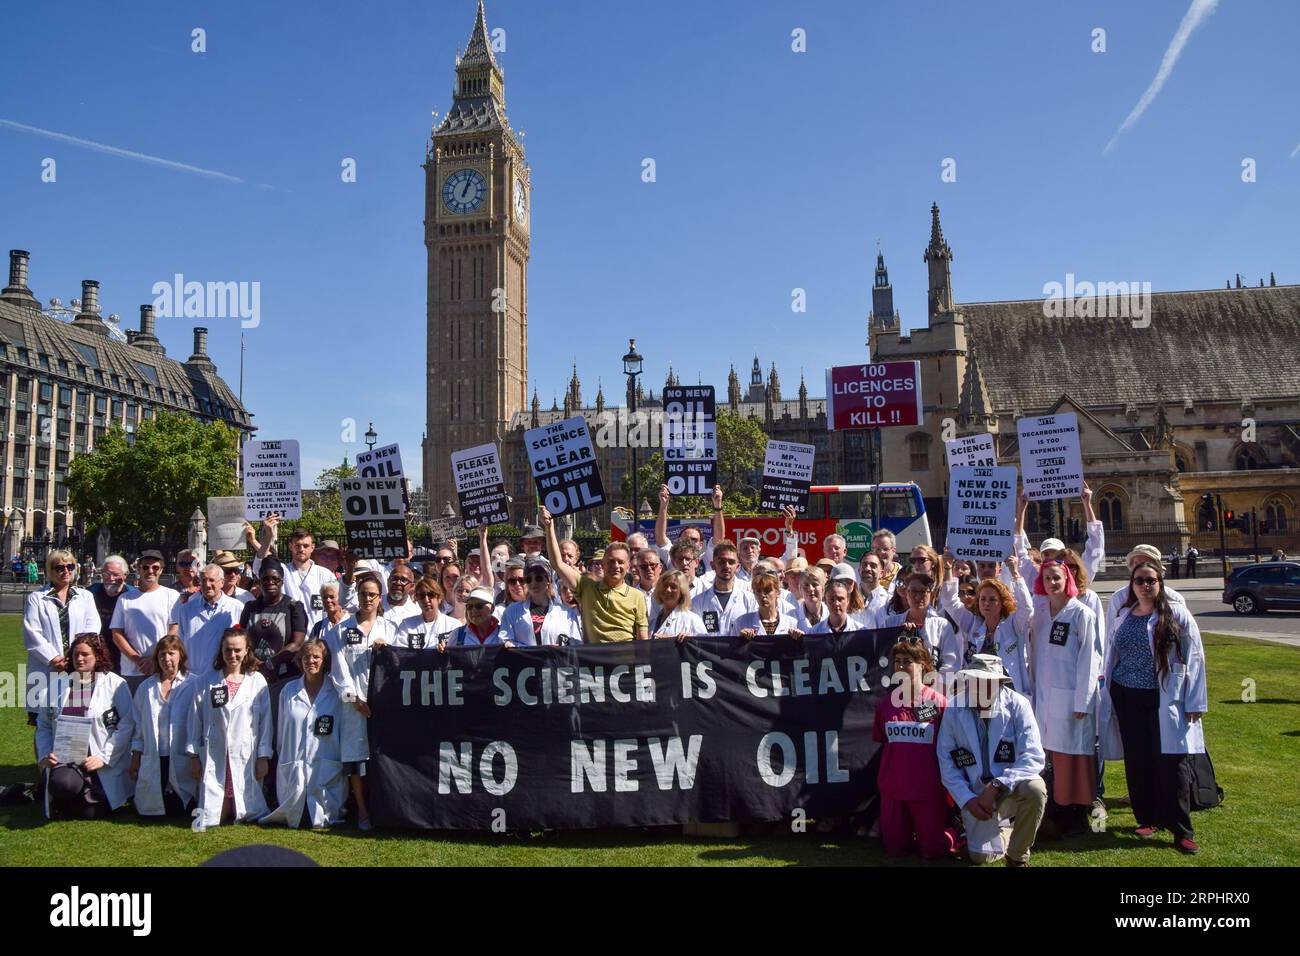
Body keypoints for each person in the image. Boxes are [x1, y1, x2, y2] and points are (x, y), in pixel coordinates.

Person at [1098, 562, 1207, 855]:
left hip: (1164, 698)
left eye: (1151, 580)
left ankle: (1181, 829)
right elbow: (1111, 653)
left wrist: (1195, 700)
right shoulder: (1123, 615)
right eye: (1139, 580)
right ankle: (1148, 818)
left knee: (1172, 763)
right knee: (1138, 759)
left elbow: (1195, 656)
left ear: (1160, 583)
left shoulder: (1175, 614)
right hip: (1126, 696)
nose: (1145, 585)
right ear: (1131, 585)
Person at [937, 654, 1048, 866]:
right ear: (968, 681)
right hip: (975, 794)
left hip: (1010, 788)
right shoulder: (954, 708)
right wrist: (967, 799)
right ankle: (1008, 830)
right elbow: (946, 762)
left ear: (999, 683)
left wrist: (996, 786)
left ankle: (1017, 857)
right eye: (976, 681)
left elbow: (1033, 757)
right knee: (981, 858)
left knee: (1035, 789)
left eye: (989, 683)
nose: (982, 688)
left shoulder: (1019, 705)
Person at [1029, 559, 1103, 836]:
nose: (1052, 583)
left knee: (1073, 759)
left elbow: (1090, 660)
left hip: (1072, 700)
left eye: (1057, 578)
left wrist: (1083, 700)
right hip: (1046, 698)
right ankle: (1055, 813)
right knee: (1051, 758)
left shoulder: (1081, 614)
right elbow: (1035, 658)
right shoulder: (1040, 615)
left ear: (1067, 580)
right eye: (1047, 578)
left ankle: (1077, 815)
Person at [35, 632, 136, 820]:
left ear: (97, 655)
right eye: (75, 655)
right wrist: (45, 755)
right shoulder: (57, 686)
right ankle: (64, 795)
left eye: (85, 654)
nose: (79, 659)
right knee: (63, 785)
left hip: (99, 760)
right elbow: (44, 726)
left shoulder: (115, 684)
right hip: (66, 758)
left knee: (92, 813)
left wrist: (103, 758)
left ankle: (80, 800)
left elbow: (127, 725)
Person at [874, 639, 957, 858]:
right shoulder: (885, 705)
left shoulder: (939, 703)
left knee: (933, 851)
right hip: (894, 788)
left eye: (907, 662)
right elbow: (883, 741)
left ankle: (957, 832)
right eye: (898, 662)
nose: (901, 667)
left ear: (922, 665)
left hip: (927, 789)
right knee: (896, 849)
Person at [263, 638, 359, 829]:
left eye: (316, 657)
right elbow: (281, 733)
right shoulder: (288, 691)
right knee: (293, 812)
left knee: (323, 816)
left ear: (325, 660)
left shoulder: (336, 692)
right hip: (293, 764)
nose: (311, 661)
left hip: (327, 766)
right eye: (306, 657)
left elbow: (343, 731)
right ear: (300, 660)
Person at [324, 573, 395, 831]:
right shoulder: (342, 629)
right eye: (363, 593)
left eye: (372, 594)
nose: (367, 599)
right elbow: (337, 671)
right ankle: (362, 811)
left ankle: (381, 808)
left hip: (382, 703)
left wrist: (386, 649)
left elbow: (400, 663)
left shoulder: (389, 628)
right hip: (352, 705)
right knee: (355, 758)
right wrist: (354, 699)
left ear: (380, 598)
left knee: (381, 758)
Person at [187, 628, 273, 828]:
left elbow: (266, 723)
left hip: (245, 753)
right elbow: (195, 720)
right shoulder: (206, 681)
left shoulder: (257, 681)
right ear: (221, 651)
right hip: (215, 753)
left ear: (246, 651)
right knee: (215, 815)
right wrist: (193, 757)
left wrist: (263, 757)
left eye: (237, 650)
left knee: (244, 809)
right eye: (228, 650)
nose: (232, 655)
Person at [543, 507, 648, 642]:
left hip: (625, 661)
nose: (615, 566)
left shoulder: (637, 596)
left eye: (620, 562)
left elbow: (643, 639)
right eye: (611, 561)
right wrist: (549, 527)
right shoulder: (587, 588)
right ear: (603, 565)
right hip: (594, 661)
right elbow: (558, 564)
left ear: (628, 566)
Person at [23, 550, 101, 728]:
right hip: (46, 668)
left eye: (70, 566)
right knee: (43, 724)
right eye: (59, 567)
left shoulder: (85, 597)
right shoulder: (36, 598)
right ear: (50, 570)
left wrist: (75, 657)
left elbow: (92, 628)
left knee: (76, 721)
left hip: (78, 666)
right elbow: (32, 633)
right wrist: (55, 659)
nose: (65, 571)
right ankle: (44, 757)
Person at [129, 635, 197, 817]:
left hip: (182, 757)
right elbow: (138, 728)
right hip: (154, 756)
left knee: (179, 808)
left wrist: (195, 756)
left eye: (171, 653)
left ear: (180, 656)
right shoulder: (146, 688)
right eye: (161, 655)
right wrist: (135, 756)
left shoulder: (194, 684)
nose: (166, 659)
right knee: (154, 809)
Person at [940, 558, 1033, 693]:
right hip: (978, 694)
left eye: (992, 599)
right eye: (982, 599)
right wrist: (948, 569)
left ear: (1003, 602)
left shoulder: (1014, 625)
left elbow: (1027, 609)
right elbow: (950, 602)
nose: (986, 603)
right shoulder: (973, 624)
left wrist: (1015, 573)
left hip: (1010, 692)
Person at [257, 519, 337, 634]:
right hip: (288, 638)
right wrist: (269, 535)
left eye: (305, 546)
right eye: (297, 545)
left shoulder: (325, 575)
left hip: (319, 638)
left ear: (312, 547)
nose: (301, 549)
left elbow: (337, 606)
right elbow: (261, 563)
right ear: (290, 546)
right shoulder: (282, 571)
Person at [110, 550, 180, 681]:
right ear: (138, 569)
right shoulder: (124, 599)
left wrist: (154, 659)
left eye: (155, 567)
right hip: (132, 670)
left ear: (161, 570)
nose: (150, 571)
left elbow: (174, 630)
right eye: (146, 567)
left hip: (162, 668)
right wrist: (137, 660)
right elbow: (117, 634)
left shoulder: (171, 595)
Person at [239, 558, 309, 688]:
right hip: (253, 674)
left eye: (275, 579)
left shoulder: (293, 607)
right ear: (259, 582)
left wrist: (270, 664)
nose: (270, 582)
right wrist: (254, 663)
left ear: (282, 581)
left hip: (285, 676)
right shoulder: (250, 607)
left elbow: (297, 644)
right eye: (265, 579)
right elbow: (241, 639)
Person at [168, 564, 244, 678]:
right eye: (203, 580)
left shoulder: (237, 607)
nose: (207, 585)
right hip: (193, 676)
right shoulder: (186, 610)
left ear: (222, 582)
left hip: (223, 676)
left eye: (212, 580)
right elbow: (181, 644)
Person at [882, 573, 960, 674]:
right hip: (898, 683)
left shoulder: (942, 625)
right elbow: (883, 657)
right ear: (906, 593)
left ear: (931, 595)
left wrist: (931, 686)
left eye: (923, 591)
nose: (918, 597)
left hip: (933, 685)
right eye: (913, 591)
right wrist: (897, 635)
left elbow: (951, 665)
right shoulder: (891, 623)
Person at [1105, 545, 1186, 635]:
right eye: (1136, 564)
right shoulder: (1119, 598)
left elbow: (1186, 639)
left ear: (1156, 570)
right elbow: (1110, 634)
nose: (1140, 569)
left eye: (1145, 563)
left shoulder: (1174, 599)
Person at [499, 559, 583, 646]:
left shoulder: (566, 613)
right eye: (529, 579)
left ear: (548, 581)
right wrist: (534, 652)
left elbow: (576, 643)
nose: (533, 583)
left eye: (539, 578)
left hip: (555, 659)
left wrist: (559, 648)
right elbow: (505, 640)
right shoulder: (512, 611)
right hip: (523, 659)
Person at [690, 540, 758, 637]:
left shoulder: (749, 600)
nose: (726, 566)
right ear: (713, 565)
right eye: (722, 561)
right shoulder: (697, 602)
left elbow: (756, 631)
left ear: (737, 567)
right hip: (709, 652)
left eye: (731, 562)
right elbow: (694, 636)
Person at [88, 554, 130, 672]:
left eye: (116, 575)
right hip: (94, 654)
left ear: (125, 575)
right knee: (83, 689)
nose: (111, 578)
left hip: (123, 656)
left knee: (120, 690)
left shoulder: (132, 596)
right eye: (106, 574)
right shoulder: (91, 593)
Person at [392, 577, 461, 648]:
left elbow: (457, 654)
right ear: (416, 598)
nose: (426, 600)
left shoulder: (453, 625)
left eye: (431, 595)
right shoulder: (407, 625)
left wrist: (447, 651)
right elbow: (400, 653)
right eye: (422, 595)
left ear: (439, 598)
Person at [735, 572, 804, 638]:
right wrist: (740, 638)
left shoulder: (792, 623)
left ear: (778, 593)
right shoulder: (742, 622)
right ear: (754, 594)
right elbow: (733, 648)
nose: (763, 595)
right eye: (758, 591)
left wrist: (799, 637)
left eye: (767, 590)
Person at [650, 570, 707, 640]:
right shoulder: (653, 621)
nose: (668, 590)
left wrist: (689, 640)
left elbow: (703, 646)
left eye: (673, 587)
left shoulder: (692, 620)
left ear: (682, 591)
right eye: (665, 586)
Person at [442, 587, 507, 647]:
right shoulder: (457, 634)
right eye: (469, 607)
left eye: (479, 606)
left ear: (492, 608)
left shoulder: (504, 634)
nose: (473, 610)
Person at [380, 561, 421, 627]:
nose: (398, 583)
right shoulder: (376, 603)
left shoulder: (417, 612)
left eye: (403, 580)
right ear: (388, 581)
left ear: (411, 586)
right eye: (394, 579)